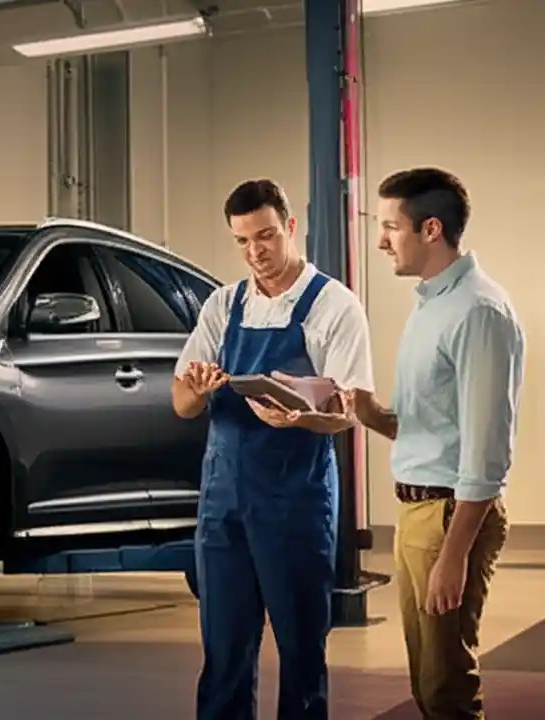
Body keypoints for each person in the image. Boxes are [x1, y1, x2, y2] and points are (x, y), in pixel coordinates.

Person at [172, 179, 374, 719]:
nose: (254, 251)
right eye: (241, 241)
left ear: (289, 226)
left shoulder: (332, 306)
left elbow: (350, 410)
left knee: (301, 651)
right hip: (223, 504)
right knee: (223, 652)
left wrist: (301, 415)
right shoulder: (222, 305)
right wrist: (196, 387)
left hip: (294, 502)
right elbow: (182, 403)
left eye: (264, 236)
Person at [350, 167, 523, 719]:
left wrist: (455, 556)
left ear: (430, 229)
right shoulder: (432, 304)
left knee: (447, 683)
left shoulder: (478, 311)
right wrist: (365, 411)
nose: (381, 240)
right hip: (418, 510)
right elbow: (429, 425)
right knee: (426, 680)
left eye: (389, 227)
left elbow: (485, 452)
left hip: (450, 515)